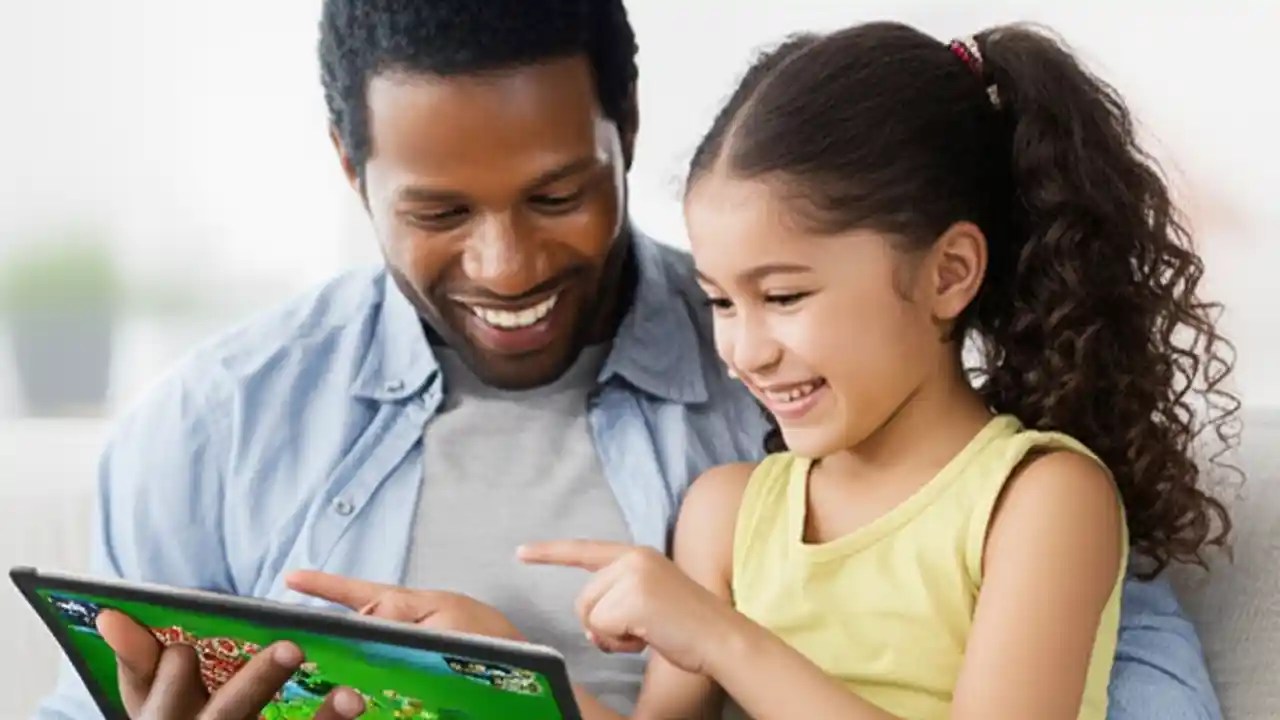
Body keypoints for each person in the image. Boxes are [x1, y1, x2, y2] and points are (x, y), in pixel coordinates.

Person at [31, 4, 1225, 719]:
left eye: (555, 193)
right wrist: (494, 671)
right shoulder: (218, 420)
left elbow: (1137, 676)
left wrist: (716, 637)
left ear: (626, 131)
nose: (502, 263)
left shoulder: (1017, 486)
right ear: (353, 172)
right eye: (438, 211)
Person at [515, 21, 1240, 720]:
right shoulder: (726, 514)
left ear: (948, 274)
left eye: (784, 296)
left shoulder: (1039, 501)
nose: (746, 349)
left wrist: (721, 639)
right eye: (720, 301)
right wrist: (509, 670)